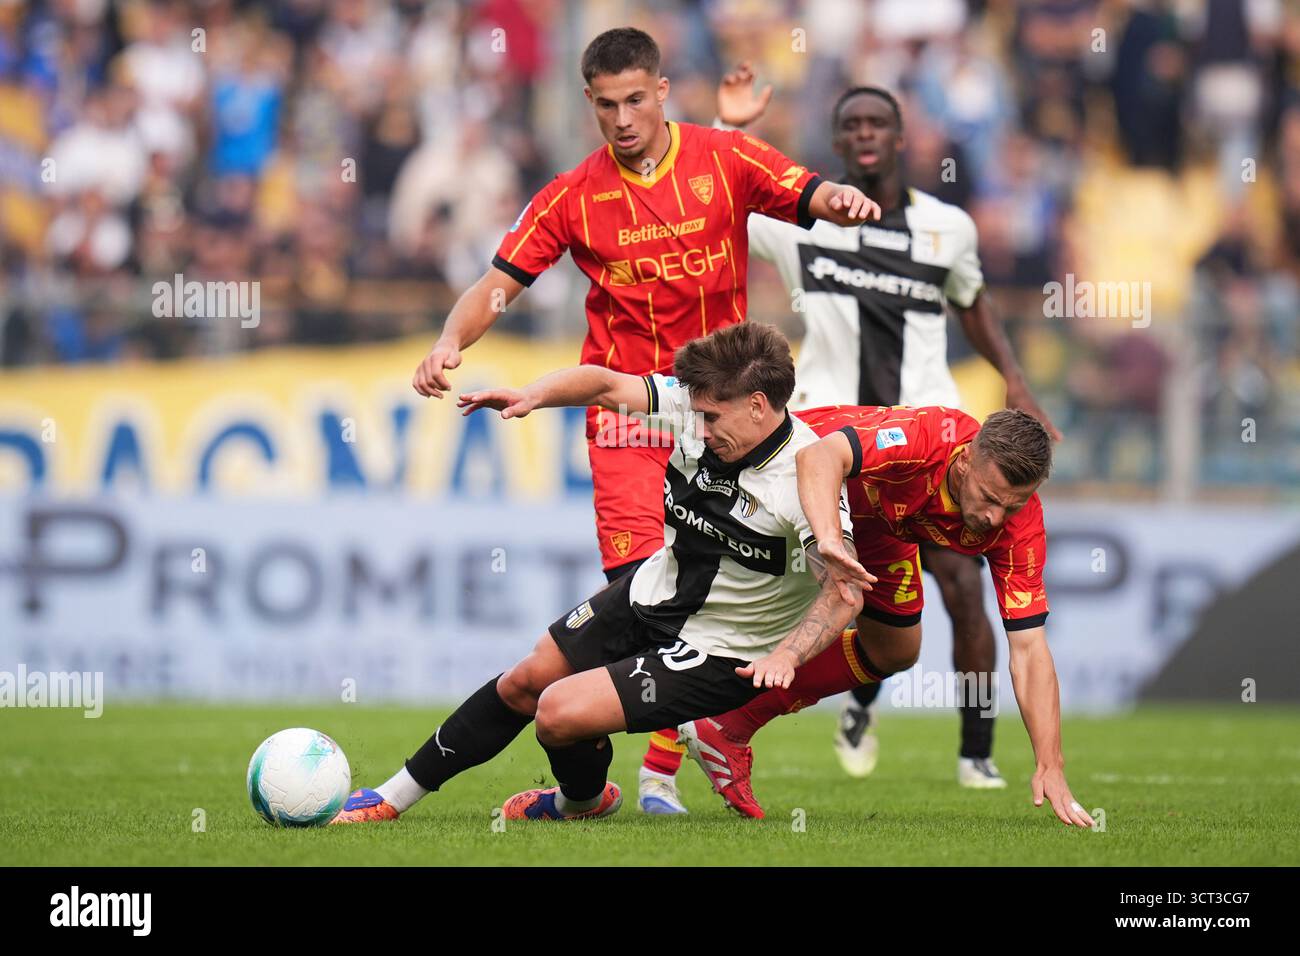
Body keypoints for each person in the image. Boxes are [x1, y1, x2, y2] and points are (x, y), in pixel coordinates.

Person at [407, 29, 878, 812]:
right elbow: (501, 281)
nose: (622, 119)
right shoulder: (571, 195)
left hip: (720, 418)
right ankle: (635, 763)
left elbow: (807, 193)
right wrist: (452, 338)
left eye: (634, 99)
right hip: (629, 418)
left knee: (712, 589)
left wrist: (843, 201)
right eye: (605, 105)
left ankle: (658, 756)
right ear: (588, 102)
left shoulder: (723, 159)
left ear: (661, 91)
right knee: (642, 592)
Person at [638, 70, 1062, 804]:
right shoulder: (810, 217)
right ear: (837, 142)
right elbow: (731, 191)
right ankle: (662, 763)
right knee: (742, 596)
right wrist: (731, 128)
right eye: (851, 126)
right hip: (829, 445)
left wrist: (1015, 382)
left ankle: (976, 750)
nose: (865, 135)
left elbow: (974, 304)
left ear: (901, 139)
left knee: (943, 604)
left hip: (931, 447)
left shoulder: (947, 229)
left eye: (878, 124)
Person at [332, 323, 863, 824]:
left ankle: (576, 799)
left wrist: (788, 655)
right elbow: (606, 384)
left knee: (557, 712)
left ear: (757, 406)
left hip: (721, 650)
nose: (699, 427)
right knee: (526, 681)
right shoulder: (694, 404)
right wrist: (533, 394)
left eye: (711, 419)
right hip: (653, 592)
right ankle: (395, 797)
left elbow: (843, 591)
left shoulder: (805, 475)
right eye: (696, 414)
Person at [676, 404, 1095, 828]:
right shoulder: (926, 438)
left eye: (1013, 505)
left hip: (878, 524)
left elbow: (1029, 650)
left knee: (895, 648)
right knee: (717, 609)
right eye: (989, 498)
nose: (995, 518)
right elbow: (818, 457)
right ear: (966, 460)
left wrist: (1050, 762)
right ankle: (651, 753)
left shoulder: (1019, 527)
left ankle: (728, 726)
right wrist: (831, 544)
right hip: (795, 478)